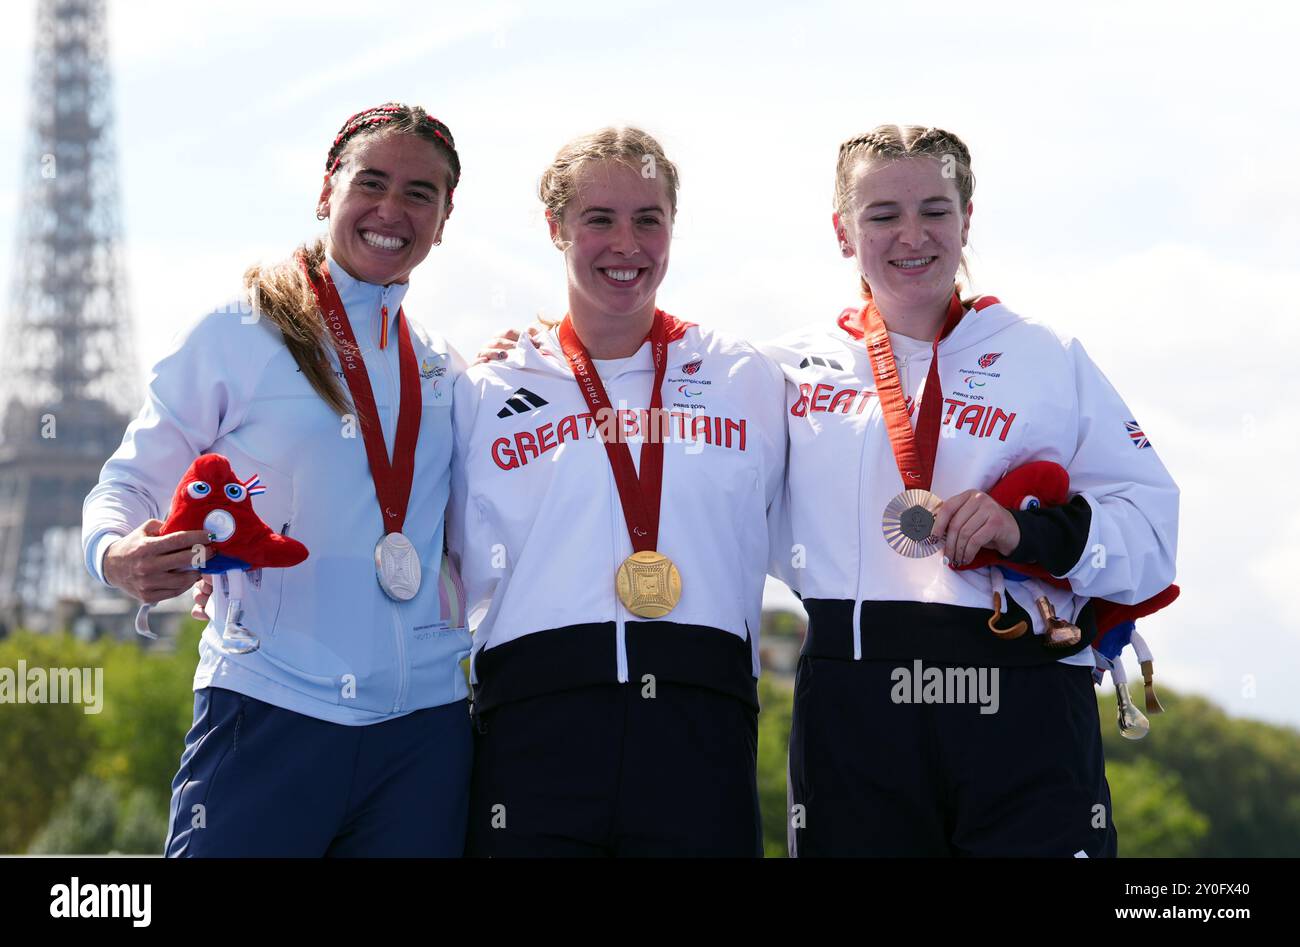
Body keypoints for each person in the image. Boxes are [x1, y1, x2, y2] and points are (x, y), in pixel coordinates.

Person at [763, 124, 1180, 856]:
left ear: (967, 218)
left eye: (935, 209)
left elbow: (1151, 535)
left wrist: (1030, 534)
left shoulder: (1044, 355)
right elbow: (669, 431)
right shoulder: (783, 368)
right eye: (882, 215)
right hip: (856, 705)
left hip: (1021, 693)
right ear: (841, 231)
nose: (911, 235)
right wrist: (531, 354)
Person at [81, 103, 474, 857]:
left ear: (444, 217)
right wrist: (113, 554)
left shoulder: (448, 368)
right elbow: (126, 482)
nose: (392, 210)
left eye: (420, 194)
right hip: (267, 711)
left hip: (422, 731)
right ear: (328, 190)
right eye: (373, 182)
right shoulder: (237, 333)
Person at [449, 127, 787, 856]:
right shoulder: (486, 388)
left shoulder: (746, 376)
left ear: (673, 225)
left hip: (703, 726)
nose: (626, 243)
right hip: (534, 725)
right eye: (599, 219)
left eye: (648, 219)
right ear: (556, 227)